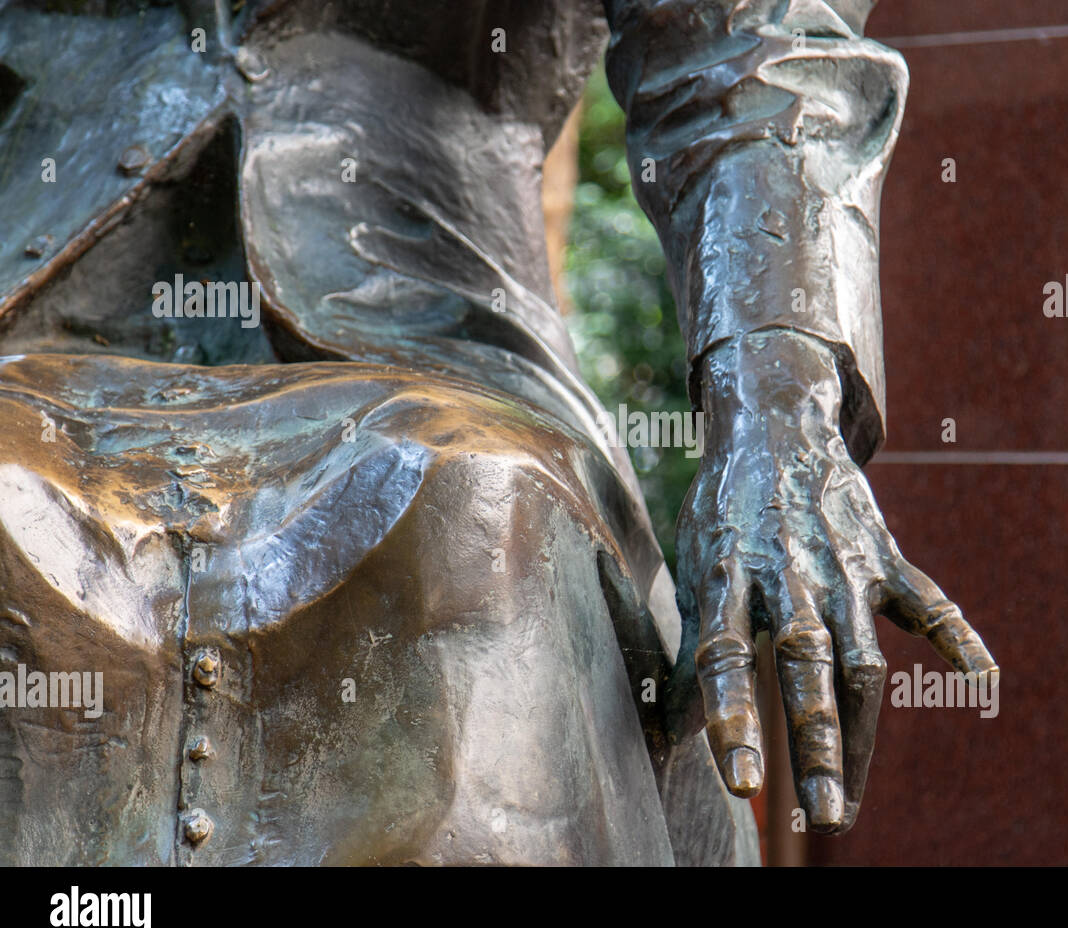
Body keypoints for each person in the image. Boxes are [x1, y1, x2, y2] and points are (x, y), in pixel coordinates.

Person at [0, 0, 995, 865]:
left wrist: (776, 399)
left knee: (472, 503)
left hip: (416, 308)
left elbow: (748, 43)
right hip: (35, 287)